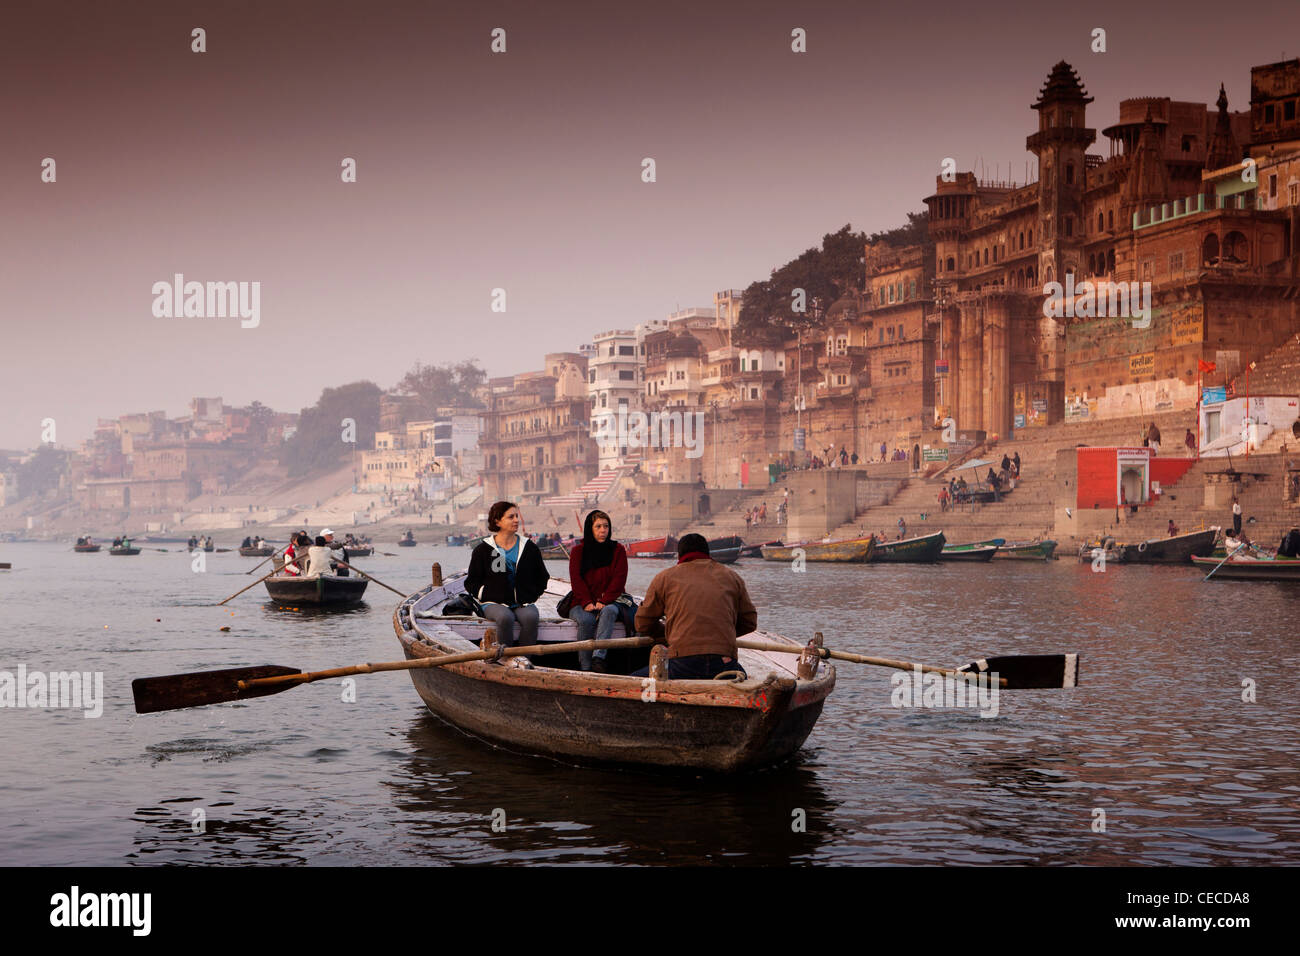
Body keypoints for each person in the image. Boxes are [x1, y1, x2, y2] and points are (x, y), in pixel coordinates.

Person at [632, 534, 755, 680]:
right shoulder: (733, 577)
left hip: (681, 663)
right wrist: (719, 637)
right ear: (707, 553)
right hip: (724, 663)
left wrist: (668, 634)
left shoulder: (664, 578)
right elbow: (749, 622)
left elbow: (642, 623)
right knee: (743, 677)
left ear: (679, 555)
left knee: (630, 679)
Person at [465, 501, 549, 651]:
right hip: (492, 602)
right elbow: (471, 582)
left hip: (522, 601)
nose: (516, 520)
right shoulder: (483, 550)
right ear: (497, 521)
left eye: (517, 516)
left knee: (531, 617)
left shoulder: (529, 548)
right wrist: (486, 593)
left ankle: (523, 659)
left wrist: (531, 594)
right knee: (505, 618)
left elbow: (542, 577)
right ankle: (504, 659)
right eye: (511, 517)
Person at [567, 510, 630, 672]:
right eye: (598, 527)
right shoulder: (578, 551)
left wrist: (604, 601)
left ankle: (598, 658)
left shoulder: (618, 550)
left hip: (612, 600)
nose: (603, 530)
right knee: (587, 620)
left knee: (609, 611)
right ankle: (585, 667)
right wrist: (587, 602)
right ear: (590, 529)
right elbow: (576, 579)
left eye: (606, 526)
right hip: (581, 601)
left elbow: (619, 579)